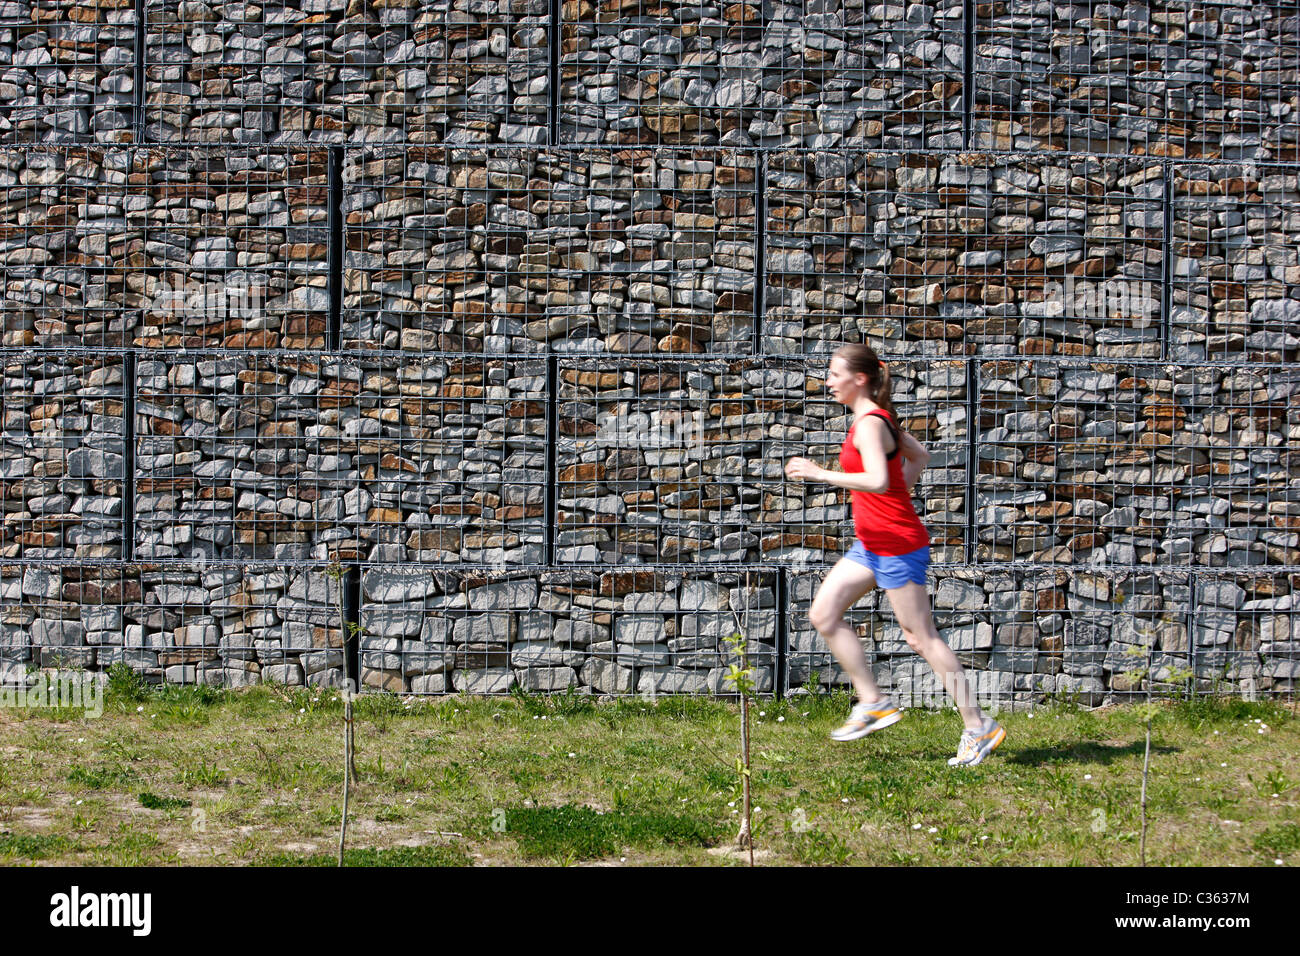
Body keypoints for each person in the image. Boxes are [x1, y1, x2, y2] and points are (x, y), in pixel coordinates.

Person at [784, 344, 1005, 767]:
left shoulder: (870, 423)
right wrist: (896, 497)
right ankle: (873, 702)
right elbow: (918, 458)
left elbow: (878, 480)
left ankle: (979, 727)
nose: (828, 382)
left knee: (920, 637)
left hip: (898, 545)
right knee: (824, 615)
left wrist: (819, 474)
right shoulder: (877, 420)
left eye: (834, 374)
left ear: (859, 379)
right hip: (872, 542)